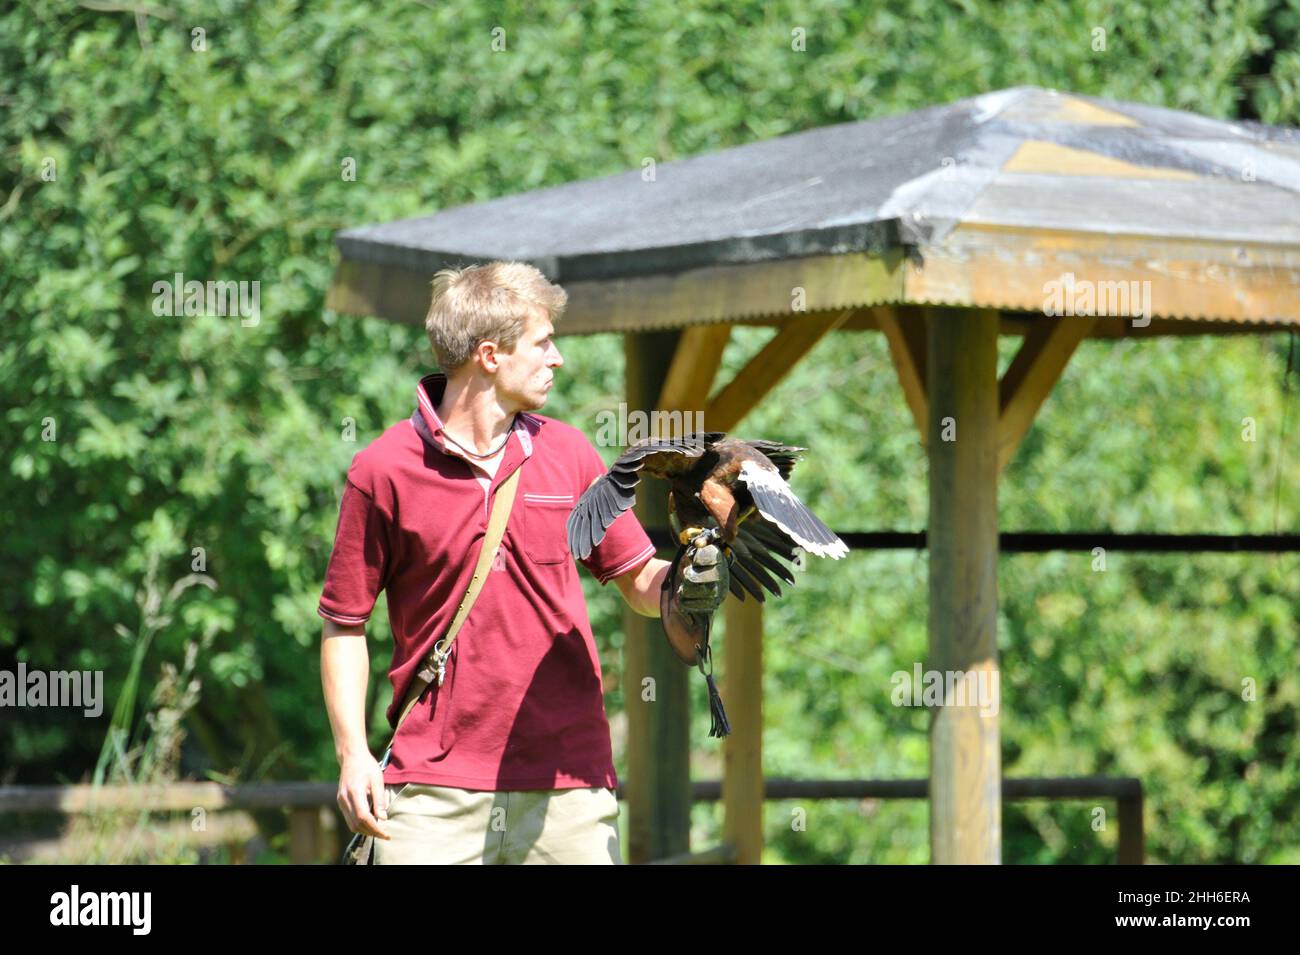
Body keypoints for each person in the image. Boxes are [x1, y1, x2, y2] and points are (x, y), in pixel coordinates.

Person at [318, 261, 726, 864]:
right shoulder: (383, 470)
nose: (557, 358)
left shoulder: (569, 454)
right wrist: (353, 753)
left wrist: (692, 572)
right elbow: (344, 624)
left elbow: (637, 577)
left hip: (568, 784)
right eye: (542, 343)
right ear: (490, 354)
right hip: (432, 788)